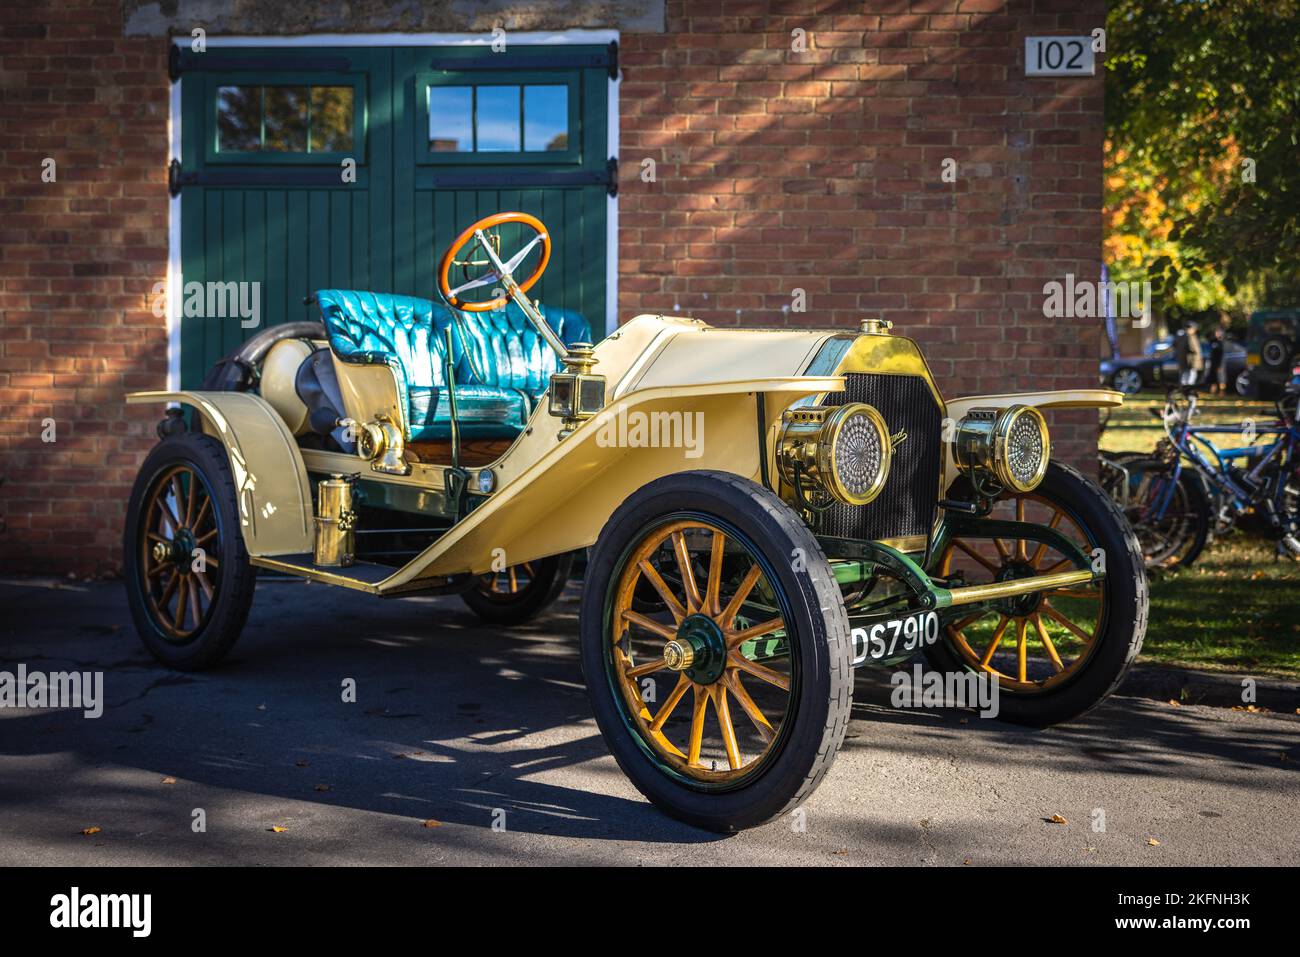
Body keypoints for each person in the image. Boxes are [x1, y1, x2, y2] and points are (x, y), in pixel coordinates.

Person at [1176, 320, 1203, 387]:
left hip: (1186, 361)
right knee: (1190, 376)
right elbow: (1192, 349)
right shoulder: (1188, 336)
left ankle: (1184, 391)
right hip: (1190, 360)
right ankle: (1187, 391)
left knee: (1186, 376)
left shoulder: (1184, 336)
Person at [1207, 325, 1226, 395]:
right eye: (1216, 332)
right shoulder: (1213, 341)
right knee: (1213, 378)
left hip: (1220, 364)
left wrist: (1220, 365)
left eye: (1218, 332)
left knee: (1221, 379)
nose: (1217, 333)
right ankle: (1212, 392)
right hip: (1213, 363)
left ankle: (1222, 392)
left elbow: (1222, 355)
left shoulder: (1222, 343)